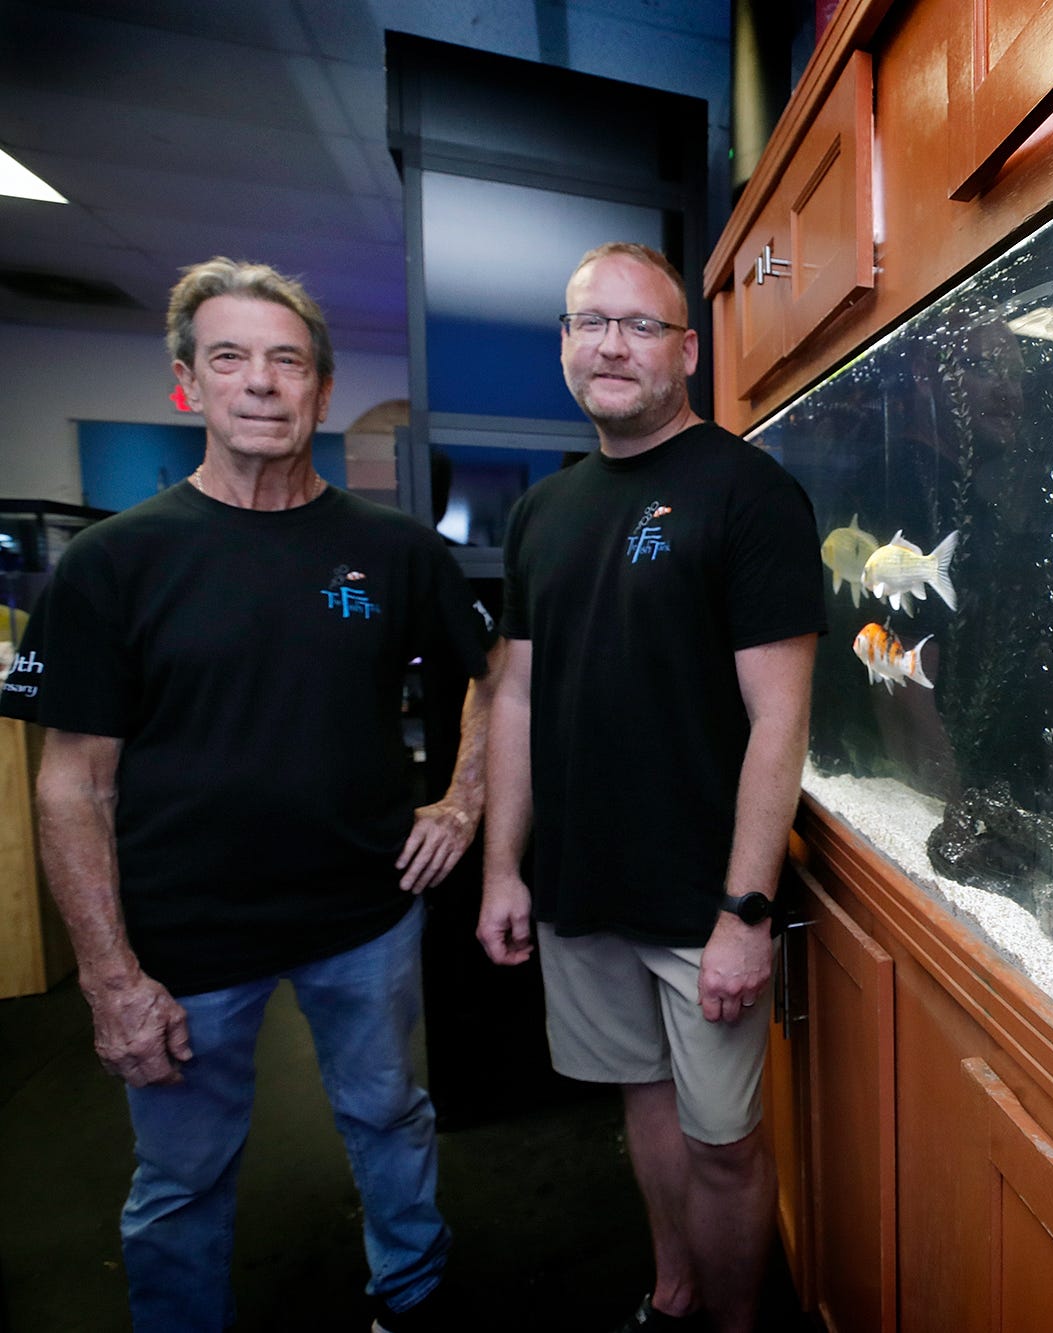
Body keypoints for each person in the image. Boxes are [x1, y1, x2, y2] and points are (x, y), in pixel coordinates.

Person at [0, 258, 498, 1333]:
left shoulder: (395, 552)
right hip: (182, 937)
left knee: (389, 1116)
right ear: (189, 385)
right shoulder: (109, 564)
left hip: (363, 915)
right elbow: (71, 780)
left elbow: (488, 680)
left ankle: (410, 1292)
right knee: (181, 1177)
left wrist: (460, 804)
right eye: (231, 358)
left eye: (287, 361)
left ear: (318, 389)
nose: (262, 383)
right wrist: (107, 976)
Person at [477, 241, 823, 1333]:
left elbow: (781, 717)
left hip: (698, 901)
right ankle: (671, 1293)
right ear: (567, 347)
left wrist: (743, 912)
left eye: (639, 326)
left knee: (725, 1139)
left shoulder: (749, 493)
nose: (612, 345)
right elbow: (517, 701)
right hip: (582, 887)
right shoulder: (543, 511)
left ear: (684, 350)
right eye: (591, 324)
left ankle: (732, 1321)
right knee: (643, 1099)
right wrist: (501, 868)